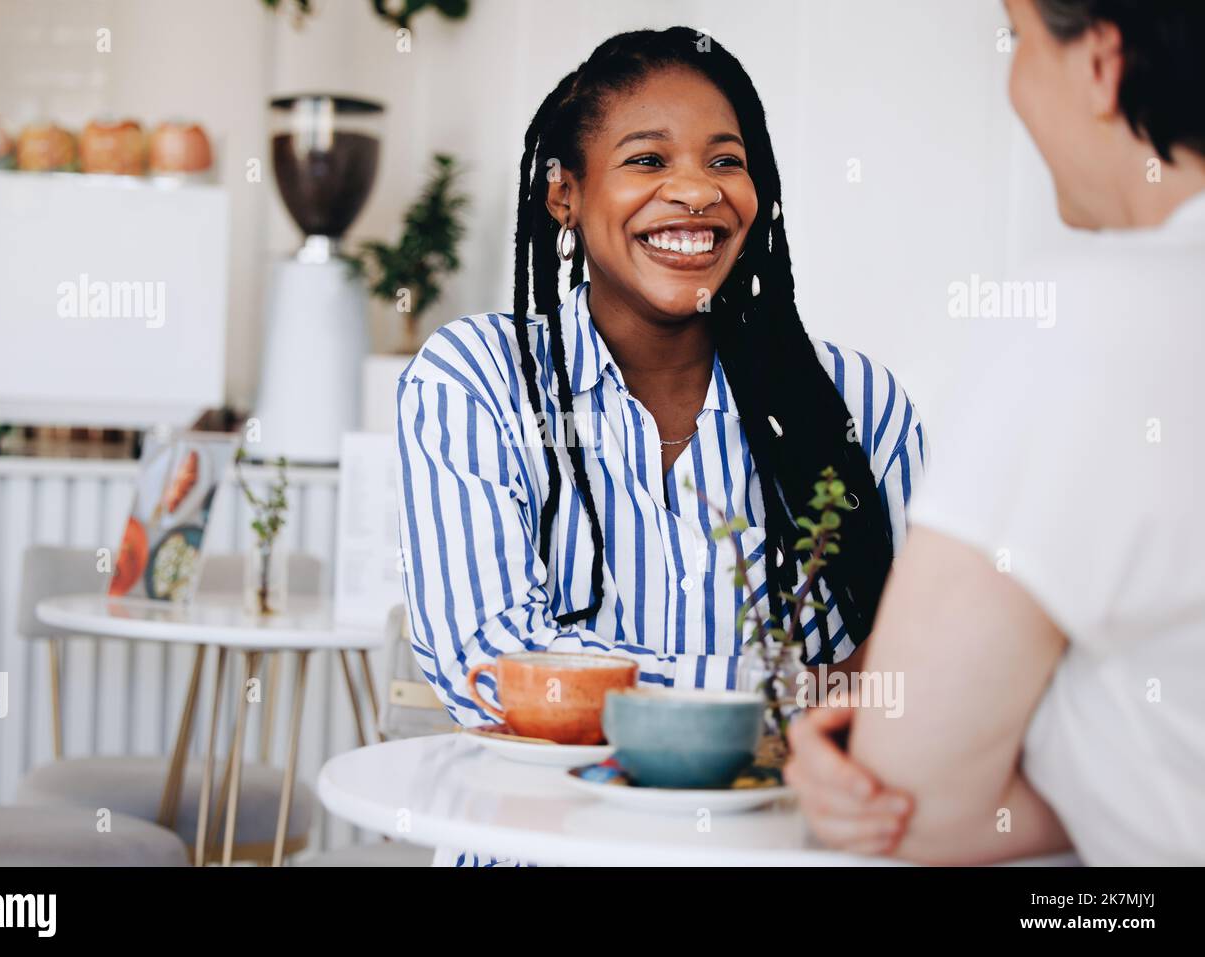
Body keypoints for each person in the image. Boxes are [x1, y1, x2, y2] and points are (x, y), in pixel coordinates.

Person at [395, 27, 924, 864]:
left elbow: (924, 672)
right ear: (563, 193)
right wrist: (798, 694)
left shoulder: (859, 404)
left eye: (725, 161)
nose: (694, 193)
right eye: (647, 160)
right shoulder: (480, 380)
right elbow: (491, 665)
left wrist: (611, 684)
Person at [785, 0, 1205, 865]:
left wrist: (898, 737)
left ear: (1099, 62)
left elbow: (909, 804)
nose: (1012, 81)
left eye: (1016, 40)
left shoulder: (1089, 322)